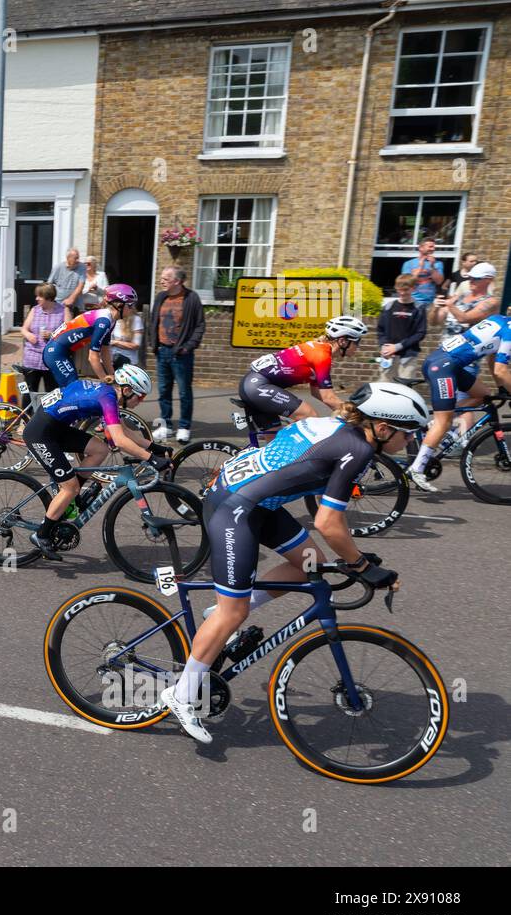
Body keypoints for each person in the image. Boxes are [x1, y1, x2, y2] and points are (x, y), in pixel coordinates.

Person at [159, 383, 425, 743]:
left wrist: (351, 557)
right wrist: (362, 566)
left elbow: (320, 493)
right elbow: (327, 522)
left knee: (311, 564)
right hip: (234, 507)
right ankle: (182, 694)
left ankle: (218, 615)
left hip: (254, 499)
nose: (411, 442)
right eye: (408, 434)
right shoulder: (358, 449)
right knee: (233, 612)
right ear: (382, 427)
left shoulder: (339, 429)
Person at [22, 365, 170, 560]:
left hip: (55, 426)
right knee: (69, 487)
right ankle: (41, 534)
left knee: (100, 449)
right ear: (126, 390)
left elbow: (124, 431)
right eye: (140, 396)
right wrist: (151, 459)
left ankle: (73, 501)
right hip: (41, 433)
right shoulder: (107, 398)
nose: (140, 401)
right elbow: (119, 440)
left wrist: (154, 447)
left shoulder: (109, 394)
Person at [408, 294, 511, 492]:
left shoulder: (499, 320)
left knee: (483, 394)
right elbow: (501, 370)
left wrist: (502, 388)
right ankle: (417, 468)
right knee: (444, 422)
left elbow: (493, 360)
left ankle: (435, 424)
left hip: (447, 363)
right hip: (444, 366)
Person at [238, 316, 367, 427]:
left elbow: (317, 393)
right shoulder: (322, 356)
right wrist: (359, 415)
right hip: (258, 387)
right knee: (309, 417)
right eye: (357, 342)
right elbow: (329, 398)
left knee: (273, 440)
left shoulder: (319, 350)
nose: (358, 347)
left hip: (253, 385)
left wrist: (346, 410)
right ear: (343, 341)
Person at [146, 266, 205, 443]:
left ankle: (184, 426)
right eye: (162, 277)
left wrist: (188, 347)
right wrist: (153, 343)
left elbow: (200, 325)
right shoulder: (161, 297)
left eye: (166, 278)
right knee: (163, 390)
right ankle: (165, 426)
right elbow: (153, 320)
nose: (161, 280)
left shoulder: (191, 298)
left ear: (177, 281)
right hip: (162, 350)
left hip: (181, 353)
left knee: (184, 391)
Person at [41, 283, 133, 388]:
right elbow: (93, 357)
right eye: (130, 305)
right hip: (56, 352)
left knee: (71, 390)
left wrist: (113, 376)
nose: (132, 309)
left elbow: (105, 351)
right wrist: (104, 379)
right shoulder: (104, 321)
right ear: (119, 305)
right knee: (73, 389)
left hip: (62, 351)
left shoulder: (111, 321)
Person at [375, 275, 427, 384]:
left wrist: (398, 346)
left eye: (406, 290)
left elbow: (420, 333)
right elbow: (380, 329)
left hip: (408, 356)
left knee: (405, 388)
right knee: (384, 385)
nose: (402, 293)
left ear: (413, 288)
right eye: (400, 290)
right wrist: (384, 345)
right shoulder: (389, 307)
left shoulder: (419, 308)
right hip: (388, 355)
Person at [403, 237, 445, 314]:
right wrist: (420, 267)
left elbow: (439, 281)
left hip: (430, 303)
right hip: (412, 301)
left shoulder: (438, 263)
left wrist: (432, 267)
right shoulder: (409, 264)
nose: (433, 249)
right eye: (430, 246)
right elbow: (406, 283)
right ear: (421, 248)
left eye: (434, 247)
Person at [109, 290, 144, 367]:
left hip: (128, 363)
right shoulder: (112, 318)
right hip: (110, 361)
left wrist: (115, 343)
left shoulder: (136, 320)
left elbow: (136, 345)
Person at [46, 248, 85, 317]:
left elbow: (81, 285)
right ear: (68, 258)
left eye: (78, 258)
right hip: (59, 303)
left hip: (76, 304)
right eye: (75, 258)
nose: (78, 260)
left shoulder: (82, 267)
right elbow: (49, 285)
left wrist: (71, 299)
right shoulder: (58, 267)